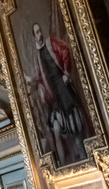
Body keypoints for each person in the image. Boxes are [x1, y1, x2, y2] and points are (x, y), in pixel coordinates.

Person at [27, 21, 87, 163]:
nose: (40, 34)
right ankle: (68, 161)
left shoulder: (51, 43)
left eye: (40, 31)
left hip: (63, 89)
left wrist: (66, 72)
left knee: (75, 127)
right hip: (54, 96)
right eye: (37, 33)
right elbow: (40, 77)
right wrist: (32, 81)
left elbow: (65, 50)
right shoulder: (37, 56)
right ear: (34, 37)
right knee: (58, 130)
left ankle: (82, 154)